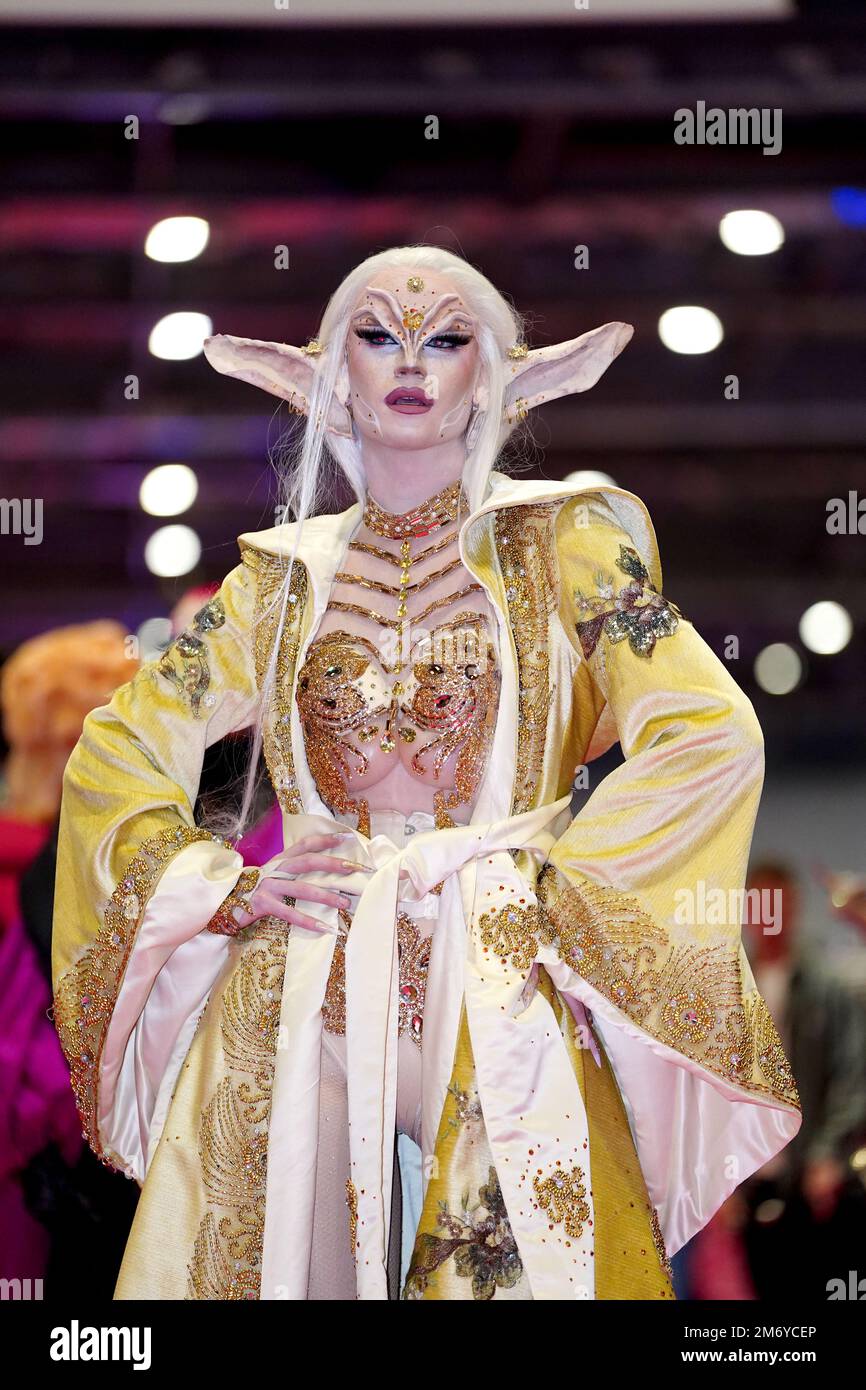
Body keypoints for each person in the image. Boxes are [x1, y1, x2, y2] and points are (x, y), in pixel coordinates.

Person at [51, 244, 802, 1301]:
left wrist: (561, 893)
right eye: (375, 334)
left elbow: (707, 730)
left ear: (491, 372)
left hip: (501, 976)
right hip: (301, 984)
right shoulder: (275, 581)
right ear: (329, 371)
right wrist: (222, 884)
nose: (410, 359)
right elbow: (118, 747)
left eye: (446, 336)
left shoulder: (564, 545)